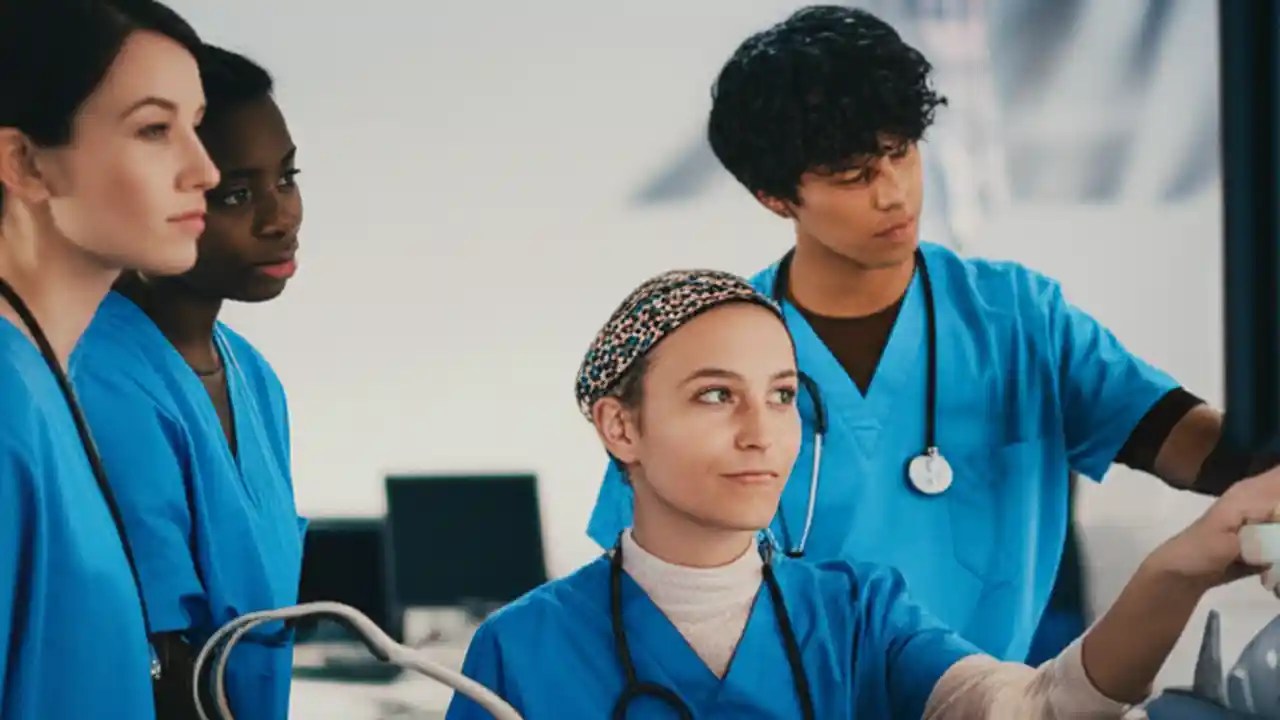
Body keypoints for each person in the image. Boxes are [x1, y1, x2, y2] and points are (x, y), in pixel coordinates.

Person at [587, 4, 1267, 662]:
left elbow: (1209, 453)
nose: (895, 195)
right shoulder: (711, 349)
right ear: (776, 197)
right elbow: (642, 591)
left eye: (901, 154)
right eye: (855, 177)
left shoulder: (1019, 319)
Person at [448, 269, 1280, 719]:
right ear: (620, 429)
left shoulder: (856, 617)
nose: (762, 432)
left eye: (781, 395)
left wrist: (1179, 569)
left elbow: (1040, 710)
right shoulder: (520, 653)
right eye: (715, 395)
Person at [73, 44, 305, 719]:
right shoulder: (99, 378)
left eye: (287, 178)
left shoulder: (253, 378)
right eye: (236, 194)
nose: (279, 217)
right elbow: (159, 669)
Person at [0, 1, 218, 717]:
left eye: (197, 124)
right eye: (155, 130)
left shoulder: (44, 385)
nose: (205, 170)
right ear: (25, 162)